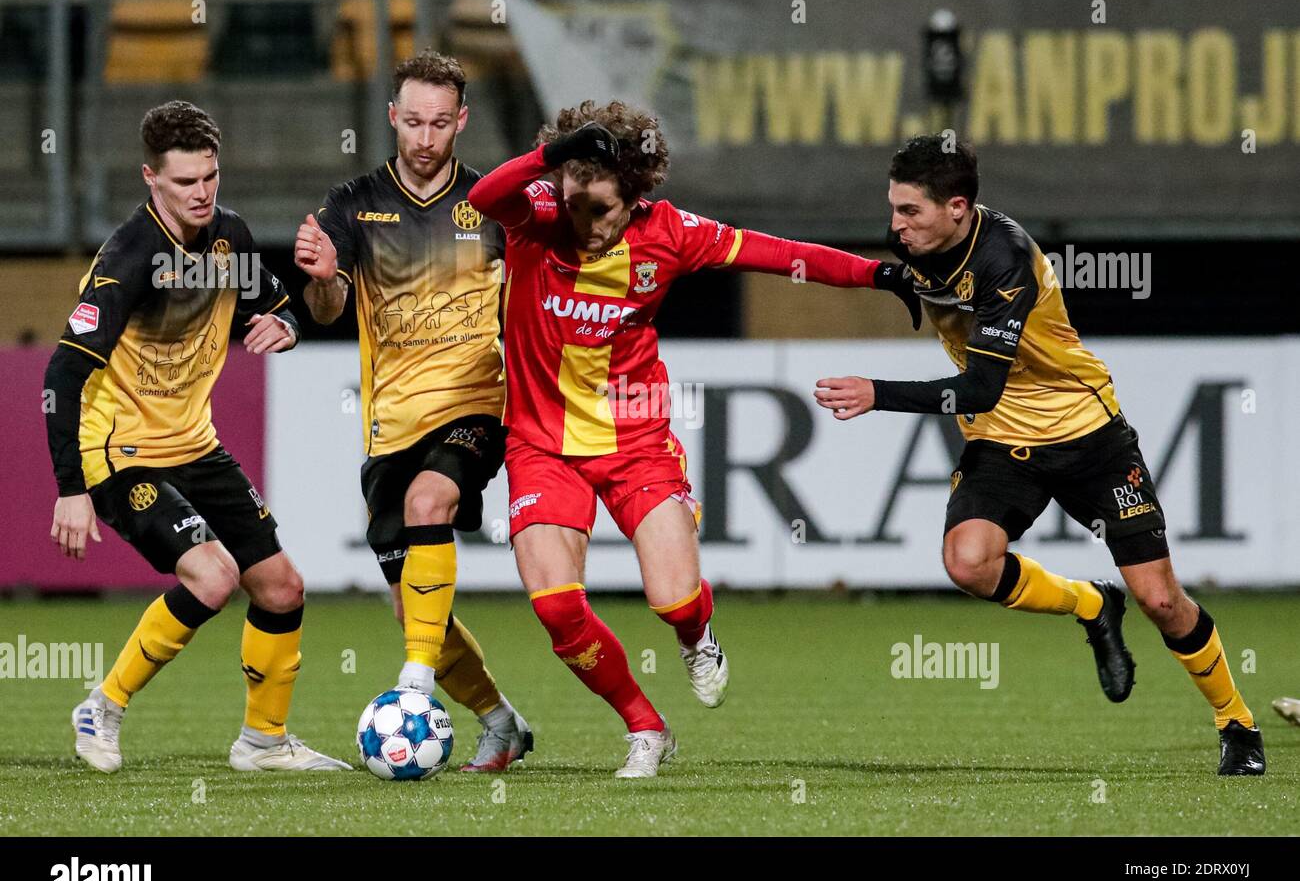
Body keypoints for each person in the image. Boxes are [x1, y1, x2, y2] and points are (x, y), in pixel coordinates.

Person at [468, 100, 919, 777]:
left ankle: (696, 634)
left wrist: (877, 273)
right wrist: (550, 155)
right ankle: (645, 727)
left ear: (637, 196)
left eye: (601, 211)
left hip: (635, 438)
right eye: (574, 204)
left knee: (674, 599)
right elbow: (482, 195)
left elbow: (779, 255)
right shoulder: (538, 208)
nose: (584, 225)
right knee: (559, 610)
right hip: (541, 444)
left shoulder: (671, 233)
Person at [813, 134, 1264, 775]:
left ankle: (1237, 723)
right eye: (892, 208)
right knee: (968, 564)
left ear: (958, 208)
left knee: (1162, 601)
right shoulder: (915, 243)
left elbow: (978, 386)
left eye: (909, 211)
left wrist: (875, 393)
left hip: (1088, 437)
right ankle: (1090, 604)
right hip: (1000, 442)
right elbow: (893, 278)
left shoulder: (1006, 260)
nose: (895, 224)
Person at [46, 100, 348, 773]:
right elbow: (63, 371)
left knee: (282, 588)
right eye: (186, 182)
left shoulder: (228, 239)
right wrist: (72, 489)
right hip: (120, 453)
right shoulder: (129, 257)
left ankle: (263, 742)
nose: (203, 192)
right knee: (212, 576)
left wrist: (289, 326)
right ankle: (103, 704)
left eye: (211, 176)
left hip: (195, 445)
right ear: (151, 178)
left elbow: (276, 306)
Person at [295, 51, 531, 771]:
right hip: (390, 423)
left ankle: (414, 683)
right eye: (413, 122)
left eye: (440, 123)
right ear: (393, 117)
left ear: (461, 121)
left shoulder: (494, 203)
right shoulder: (353, 201)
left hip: (474, 402)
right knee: (412, 609)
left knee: (433, 500)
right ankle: (500, 720)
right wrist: (324, 278)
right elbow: (327, 308)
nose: (425, 139)